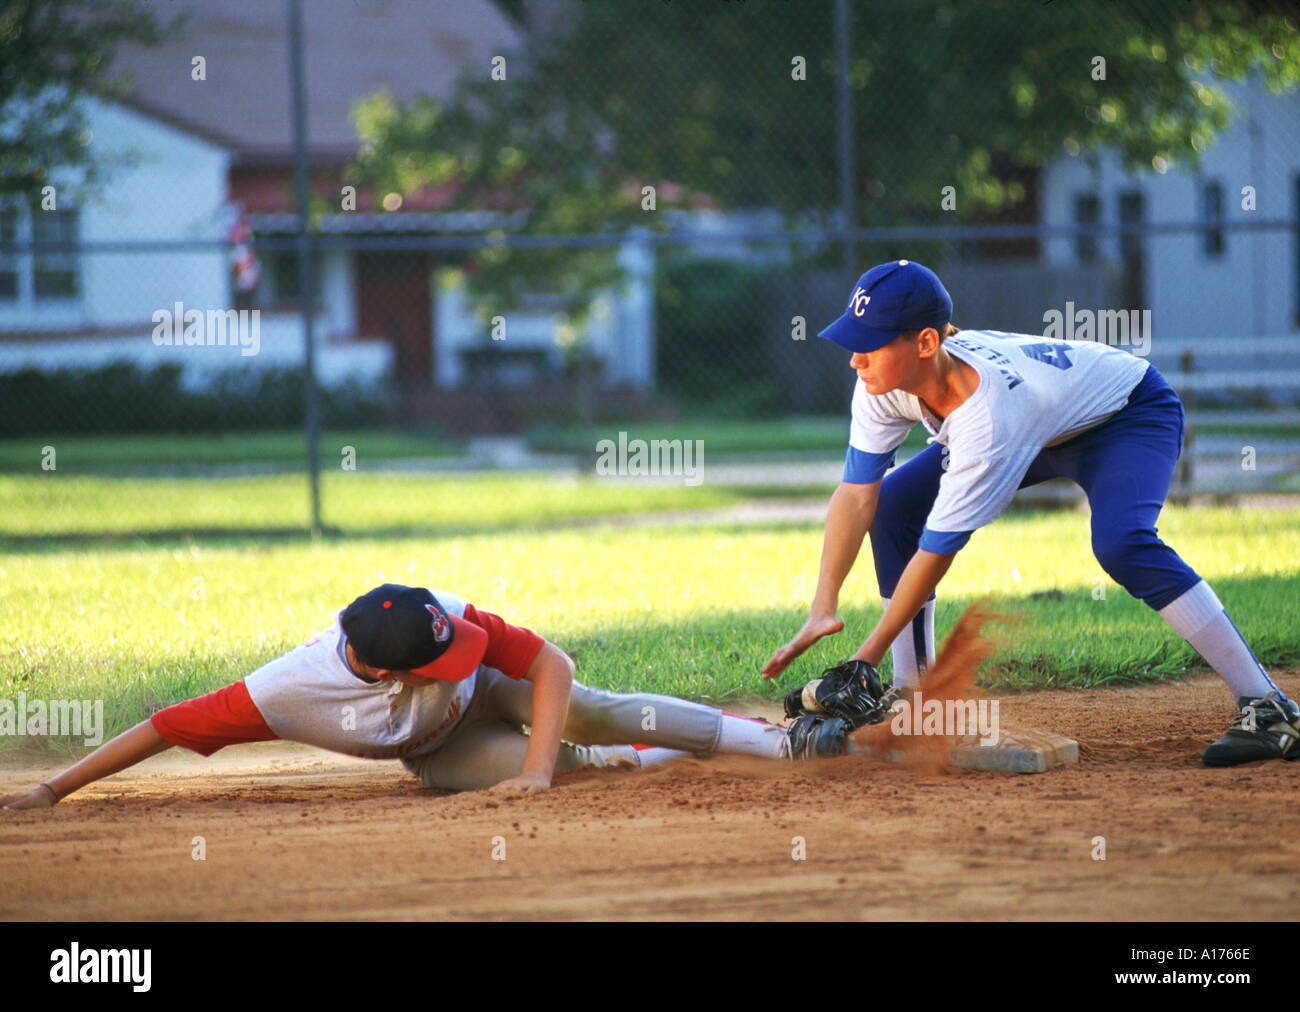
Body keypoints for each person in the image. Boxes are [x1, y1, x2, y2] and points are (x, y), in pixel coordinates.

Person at [762, 259, 1299, 767]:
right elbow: (858, 495)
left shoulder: (988, 419)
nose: (855, 358)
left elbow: (937, 550)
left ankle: (1269, 708)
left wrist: (863, 659)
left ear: (925, 342)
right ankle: (915, 699)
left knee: (1122, 542)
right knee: (895, 504)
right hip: (1045, 419)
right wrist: (822, 607)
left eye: (869, 345)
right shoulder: (883, 383)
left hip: (1125, 414)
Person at [2, 583, 808, 812]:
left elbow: (551, 666)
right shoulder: (287, 693)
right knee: (587, 770)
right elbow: (163, 727)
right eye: (440, 655)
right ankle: (674, 747)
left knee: (590, 709)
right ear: (387, 672)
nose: (457, 643)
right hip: (439, 750)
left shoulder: (445, 621)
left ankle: (782, 742)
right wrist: (49, 787)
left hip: (496, 699)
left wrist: (537, 772)